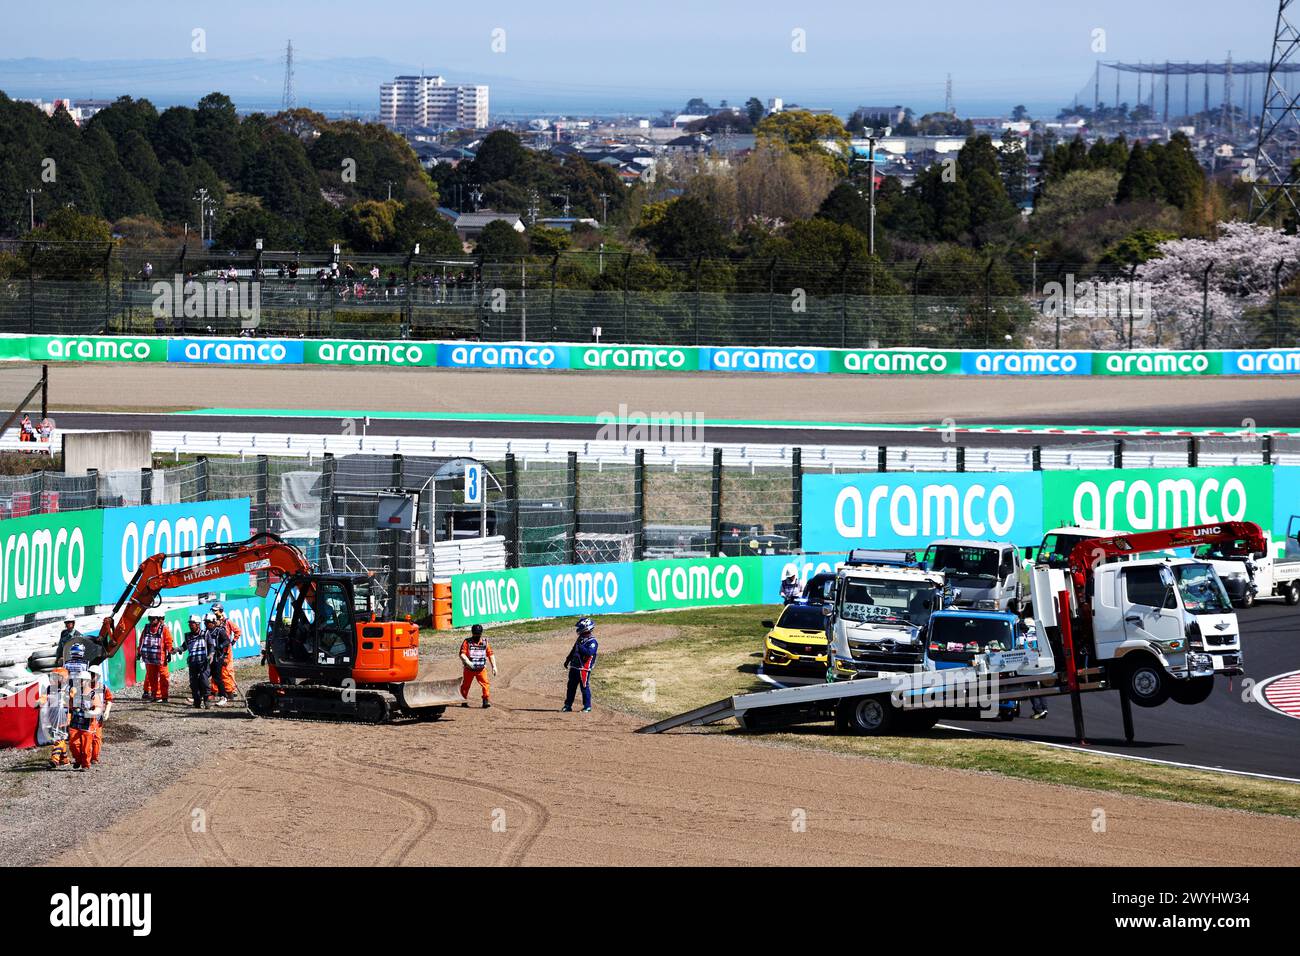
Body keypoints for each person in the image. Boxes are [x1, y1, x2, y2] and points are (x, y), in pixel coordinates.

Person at [562, 618, 598, 713]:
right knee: (571, 687)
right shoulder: (580, 639)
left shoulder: (592, 641)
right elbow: (574, 649)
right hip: (574, 666)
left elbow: (589, 652)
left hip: (584, 668)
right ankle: (568, 705)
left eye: (580, 627)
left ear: (586, 628)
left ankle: (587, 706)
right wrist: (568, 659)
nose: (578, 629)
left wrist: (580, 646)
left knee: (584, 687)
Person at [458, 624, 497, 708]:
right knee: (465, 685)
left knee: (485, 684)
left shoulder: (485, 642)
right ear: (472, 633)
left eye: (478, 634)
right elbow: (462, 654)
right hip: (469, 669)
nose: (477, 635)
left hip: (481, 669)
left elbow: (490, 654)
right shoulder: (467, 642)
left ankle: (485, 701)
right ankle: (463, 700)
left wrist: (494, 666)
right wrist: (468, 662)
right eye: (475, 634)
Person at [139, 613, 174, 703]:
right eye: (150, 618)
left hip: (160, 658)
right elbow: (141, 641)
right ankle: (155, 695)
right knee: (152, 678)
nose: (151, 620)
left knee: (163, 677)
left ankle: (164, 696)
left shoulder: (164, 629)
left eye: (153, 618)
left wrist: (169, 652)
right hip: (149, 658)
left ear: (158, 619)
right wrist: (139, 652)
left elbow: (168, 641)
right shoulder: (146, 628)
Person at [209, 603, 240, 702]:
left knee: (227, 671)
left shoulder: (227, 621)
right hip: (217, 649)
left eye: (215, 610)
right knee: (215, 670)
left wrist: (232, 642)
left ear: (221, 611)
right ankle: (215, 690)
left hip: (226, 649)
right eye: (213, 610)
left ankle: (231, 690)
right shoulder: (213, 621)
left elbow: (238, 631)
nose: (214, 612)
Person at [204, 613, 235, 706]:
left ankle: (223, 696)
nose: (206, 624)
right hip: (209, 657)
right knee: (203, 676)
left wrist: (219, 647)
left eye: (208, 622)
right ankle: (199, 695)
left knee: (217, 678)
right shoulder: (205, 632)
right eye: (205, 622)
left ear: (213, 622)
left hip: (218, 657)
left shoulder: (219, 631)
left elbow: (227, 641)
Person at [184, 617, 212, 709]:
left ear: (198, 624)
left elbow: (211, 645)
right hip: (192, 662)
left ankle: (207, 700)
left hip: (203, 662)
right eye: (190, 624)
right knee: (194, 683)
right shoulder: (188, 636)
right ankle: (197, 701)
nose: (190, 625)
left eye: (192, 624)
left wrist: (211, 654)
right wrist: (176, 649)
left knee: (204, 681)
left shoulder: (205, 634)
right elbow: (184, 646)